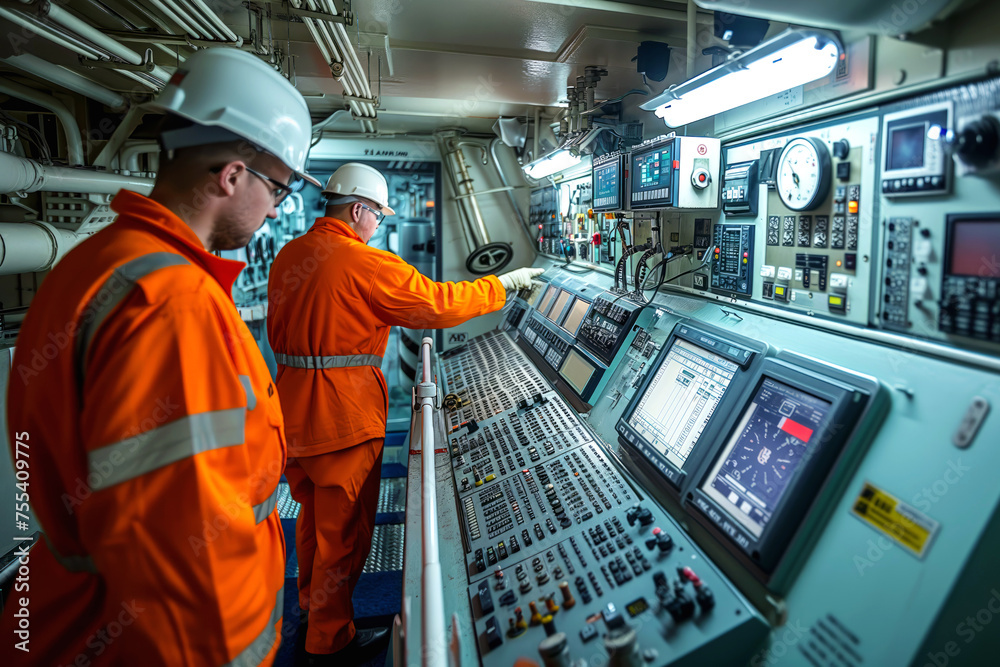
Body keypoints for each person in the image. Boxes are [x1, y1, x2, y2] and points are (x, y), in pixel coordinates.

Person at [2, 47, 321, 666]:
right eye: (278, 189)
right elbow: (178, 556)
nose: (275, 209)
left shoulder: (94, 264)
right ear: (232, 176)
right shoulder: (172, 304)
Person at [266, 162, 542, 664]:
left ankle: (310, 609)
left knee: (313, 520)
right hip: (342, 419)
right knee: (343, 535)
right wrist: (504, 285)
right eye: (377, 214)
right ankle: (328, 640)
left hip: (291, 414)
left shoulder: (291, 255)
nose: (378, 225)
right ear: (358, 210)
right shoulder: (365, 263)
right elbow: (436, 304)